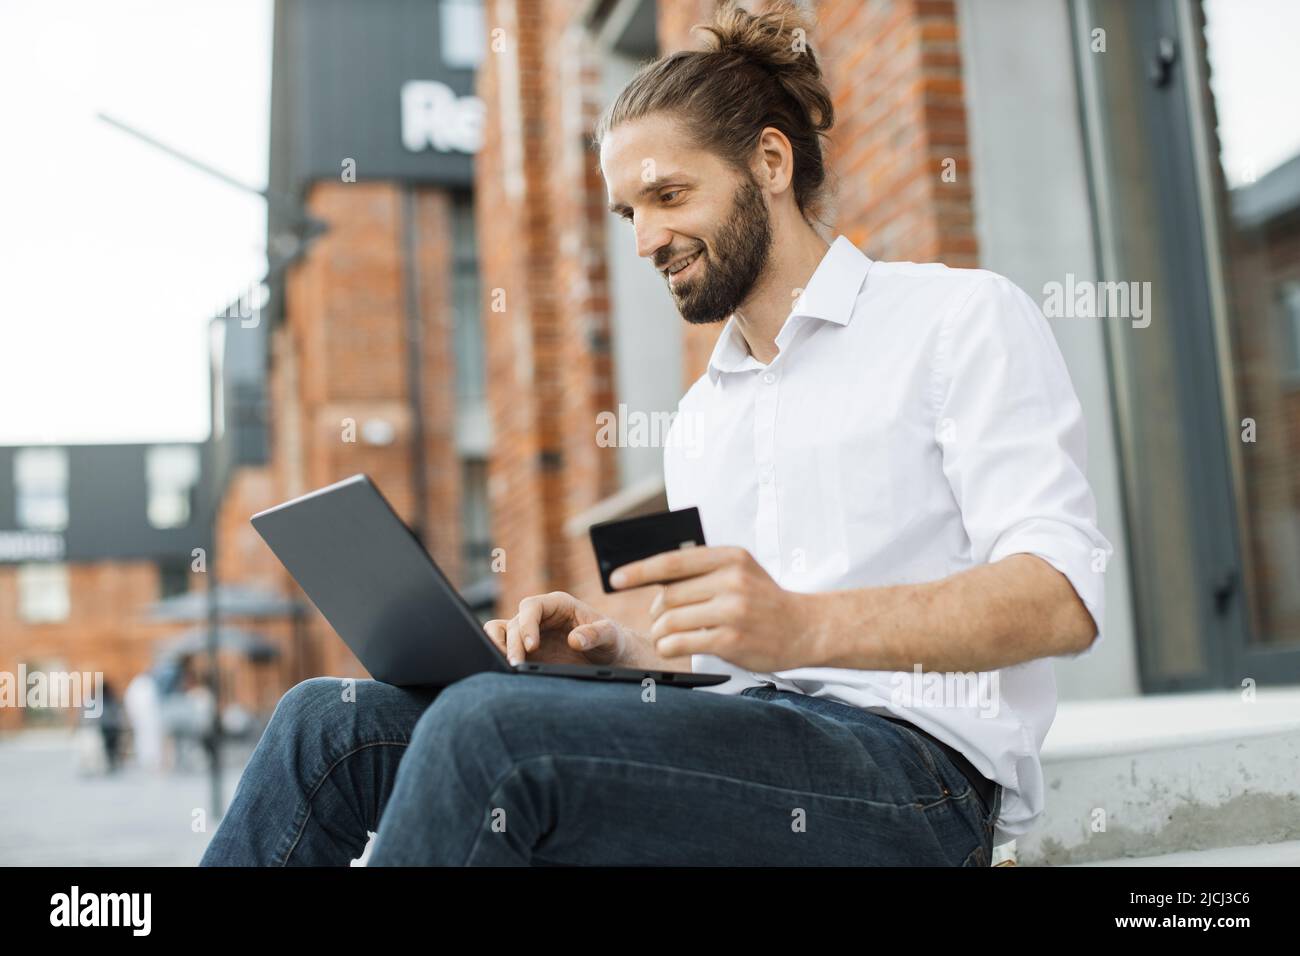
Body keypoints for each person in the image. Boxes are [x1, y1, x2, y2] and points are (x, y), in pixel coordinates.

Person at [201, 0, 1109, 867]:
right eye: (629, 213)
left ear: (770, 163)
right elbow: (728, 661)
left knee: (489, 733)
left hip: (915, 781)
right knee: (328, 725)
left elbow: (1061, 600)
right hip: (755, 745)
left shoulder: (957, 319)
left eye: (668, 195)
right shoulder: (705, 414)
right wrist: (617, 657)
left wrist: (803, 625)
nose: (646, 240)